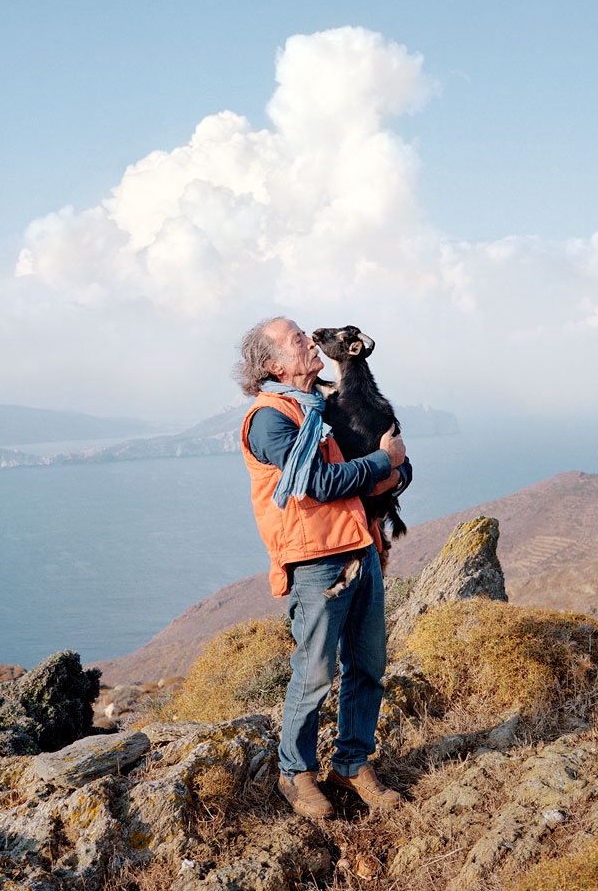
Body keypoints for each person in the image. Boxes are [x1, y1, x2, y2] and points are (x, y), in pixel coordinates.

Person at [234, 316, 412, 819]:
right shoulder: (272, 418)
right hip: (316, 563)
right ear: (274, 365)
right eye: (297, 340)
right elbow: (318, 483)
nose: (310, 342)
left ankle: (352, 764)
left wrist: (388, 467)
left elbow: (397, 462)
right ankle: (296, 774)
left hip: (361, 548)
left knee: (368, 666)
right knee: (314, 672)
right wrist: (381, 464)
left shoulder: (327, 408)